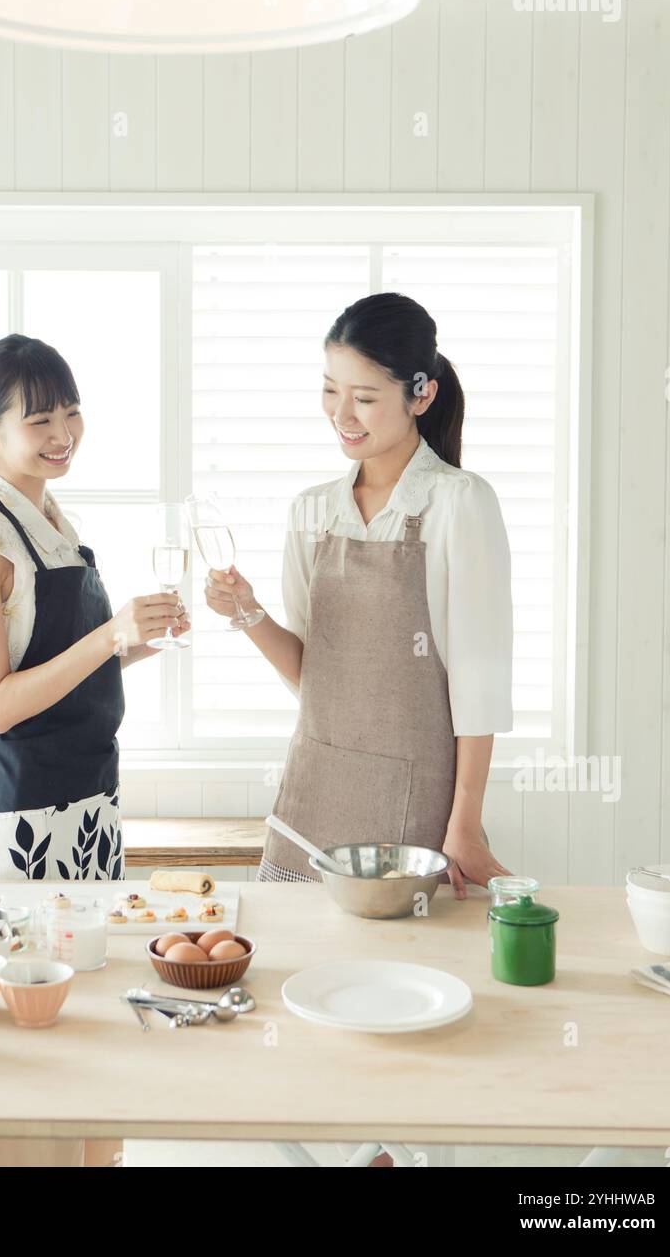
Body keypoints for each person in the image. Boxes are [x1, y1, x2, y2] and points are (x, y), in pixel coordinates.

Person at [0, 333, 189, 1166]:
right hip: (19, 822)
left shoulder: (55, 519)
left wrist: (146, 639)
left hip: (89, 810)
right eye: (39, 418)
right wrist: (111, 635)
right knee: (22, 1037)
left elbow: (74, 670)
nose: (62, 433)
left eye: (72, 412)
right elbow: (0, 704)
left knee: (89, 1014)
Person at [205, 292, 515, 896]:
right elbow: (313, 674)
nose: (342, 413)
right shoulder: (312, 511)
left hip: (416, 803)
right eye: (331, 390)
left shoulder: (459, 503)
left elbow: (479, 682)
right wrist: (247, 611)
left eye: (366, 398)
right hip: (314, 793)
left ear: (420, 394)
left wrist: (466, 824)